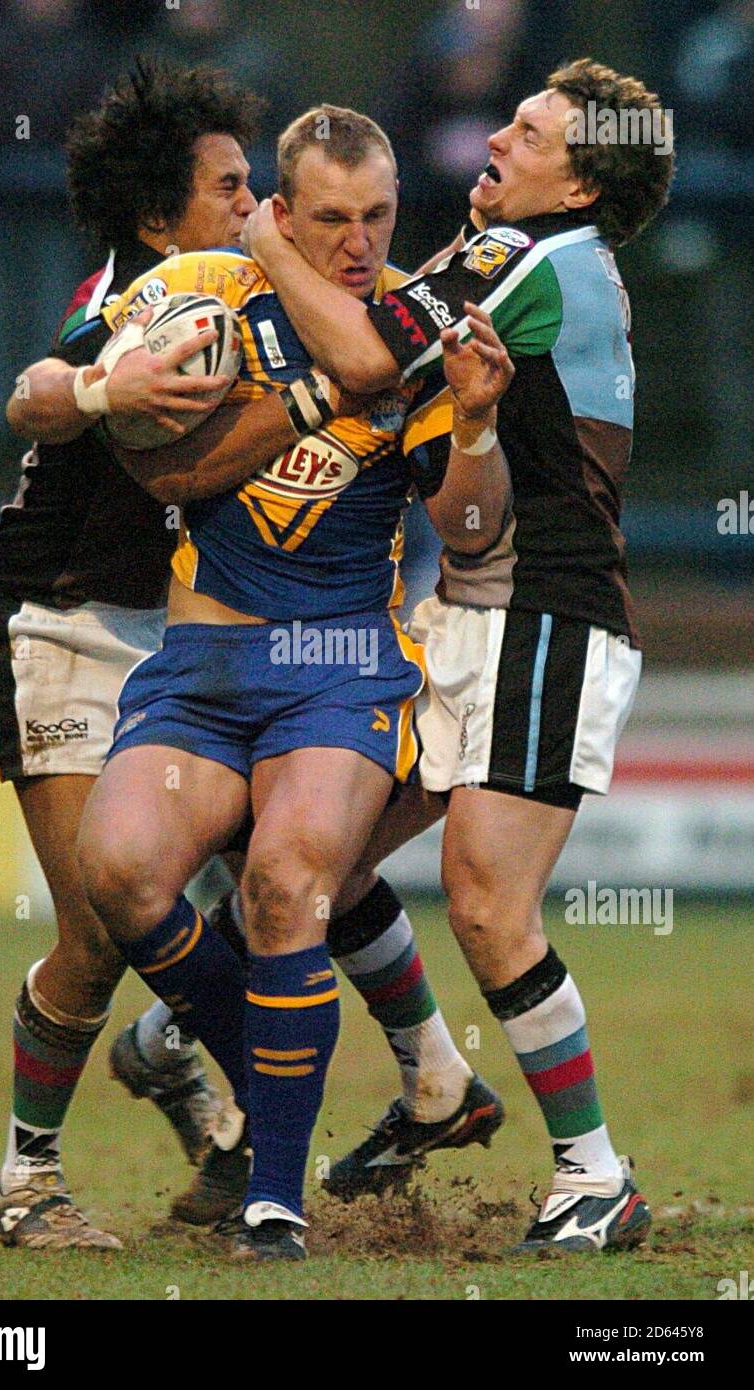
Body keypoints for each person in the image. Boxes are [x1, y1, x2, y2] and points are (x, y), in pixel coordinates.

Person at [247, 58, 674, 1253]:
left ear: (576, 176)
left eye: (526, 131)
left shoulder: (528, 255)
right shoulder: (518, 253)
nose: (494, 138)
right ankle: (436, 1078)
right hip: (470, 611)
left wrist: (260, 237)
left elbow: (371, 355)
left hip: (546, 614)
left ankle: (594, 1174)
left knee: (489, 903)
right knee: (306, 856)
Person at [74, 105, 515, 1261]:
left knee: (285, 882)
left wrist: (473, 428)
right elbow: (154, 459)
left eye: (376, 216)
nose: (359, 241)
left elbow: (468, 532)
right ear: (280, 212)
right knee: (117, 872)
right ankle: (281, 1077)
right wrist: (82, 386)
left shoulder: (416, 335)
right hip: (202, 662)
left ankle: (273, 1193)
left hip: (336, 669)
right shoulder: (207, 300)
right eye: (329, 218)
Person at [0, 59, 265, 1251]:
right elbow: (31, 396)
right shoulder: (134, 300)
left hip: (183, 633)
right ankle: (24, 1185)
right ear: (158, 216)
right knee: (97, 928)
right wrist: (102, 384)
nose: (253, 205)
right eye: (230, 187)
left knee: (286, 875)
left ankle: (190, 1073)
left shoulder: (253, 290)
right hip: (62, 624)